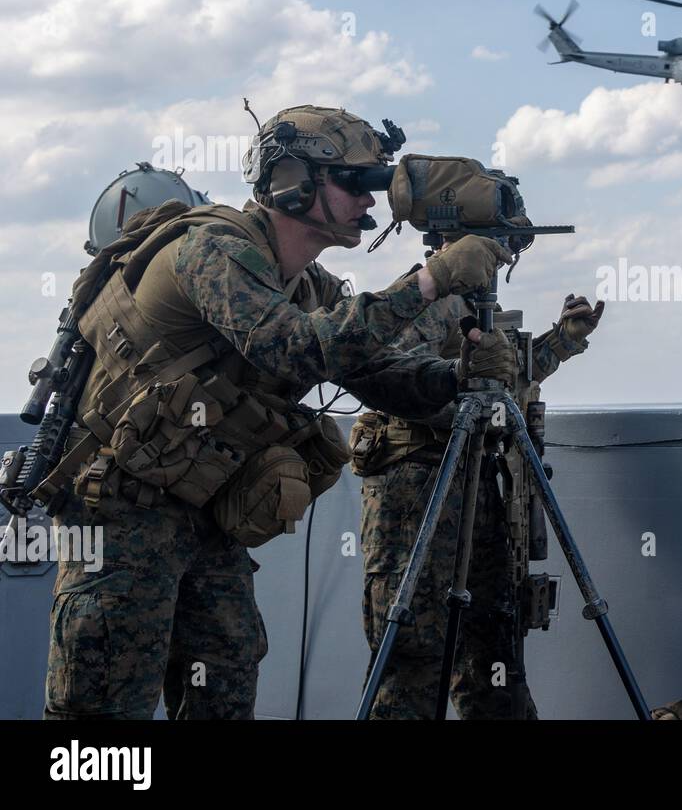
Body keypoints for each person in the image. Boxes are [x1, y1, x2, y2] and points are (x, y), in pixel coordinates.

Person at [40, 104, 513, 719]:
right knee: (101, 714)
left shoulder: (310, 286)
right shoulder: (207, 251)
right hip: (120, 513)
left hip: (206, 513)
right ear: (291, 183)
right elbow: (292, 347)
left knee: (226, 684)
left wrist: (458, 377)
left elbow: (377, 377)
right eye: (354, 181)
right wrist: (428, 281)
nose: (371, 201)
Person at [351, 236, 604, 720]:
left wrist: (563, 340)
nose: (504, 255)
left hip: (477, 478)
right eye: (498, 245)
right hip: (420, 485)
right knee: (414, 650)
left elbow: (503, 381)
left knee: (494, 643)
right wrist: (461, 388)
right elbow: (385, 372)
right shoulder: (425, 300)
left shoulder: (472, 306)